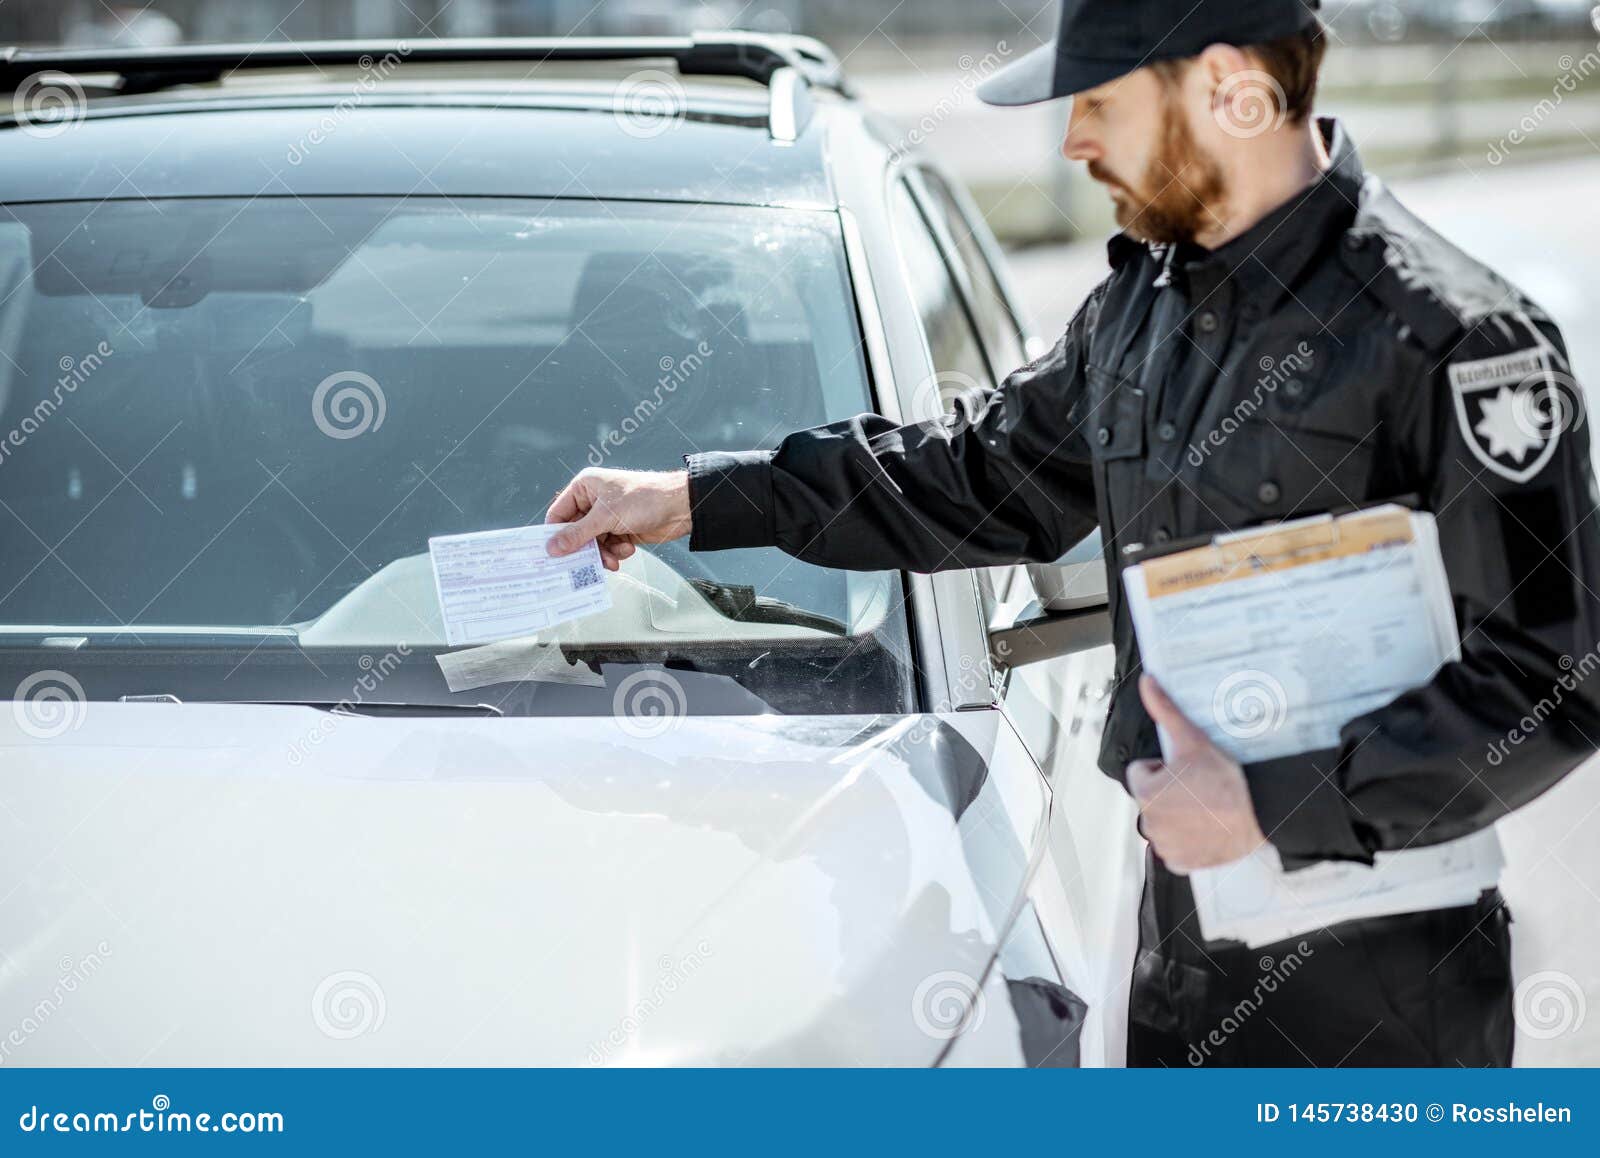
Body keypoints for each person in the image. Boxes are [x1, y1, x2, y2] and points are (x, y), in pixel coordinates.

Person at [546, 0, 1600, 1065]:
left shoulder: (1456, 341)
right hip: (1174, 962)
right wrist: (697, 499)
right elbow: (972, 473)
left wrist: (1275, 807)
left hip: (1382, 1006)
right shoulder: (1137, 306)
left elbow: (1553, 680)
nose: (1072, 140)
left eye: (1099, 100)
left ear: (1230, 87)